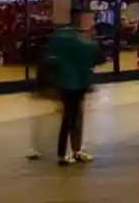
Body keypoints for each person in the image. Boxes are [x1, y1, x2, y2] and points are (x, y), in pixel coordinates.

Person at [47, 9, 100, 165]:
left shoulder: (59, 35)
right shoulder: (78, 39)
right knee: (72, 118)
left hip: (63, 82)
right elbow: (93, 56)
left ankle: (71, 151)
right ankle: (67, 152)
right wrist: (92, 39)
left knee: (70, 118)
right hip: (75, 83)